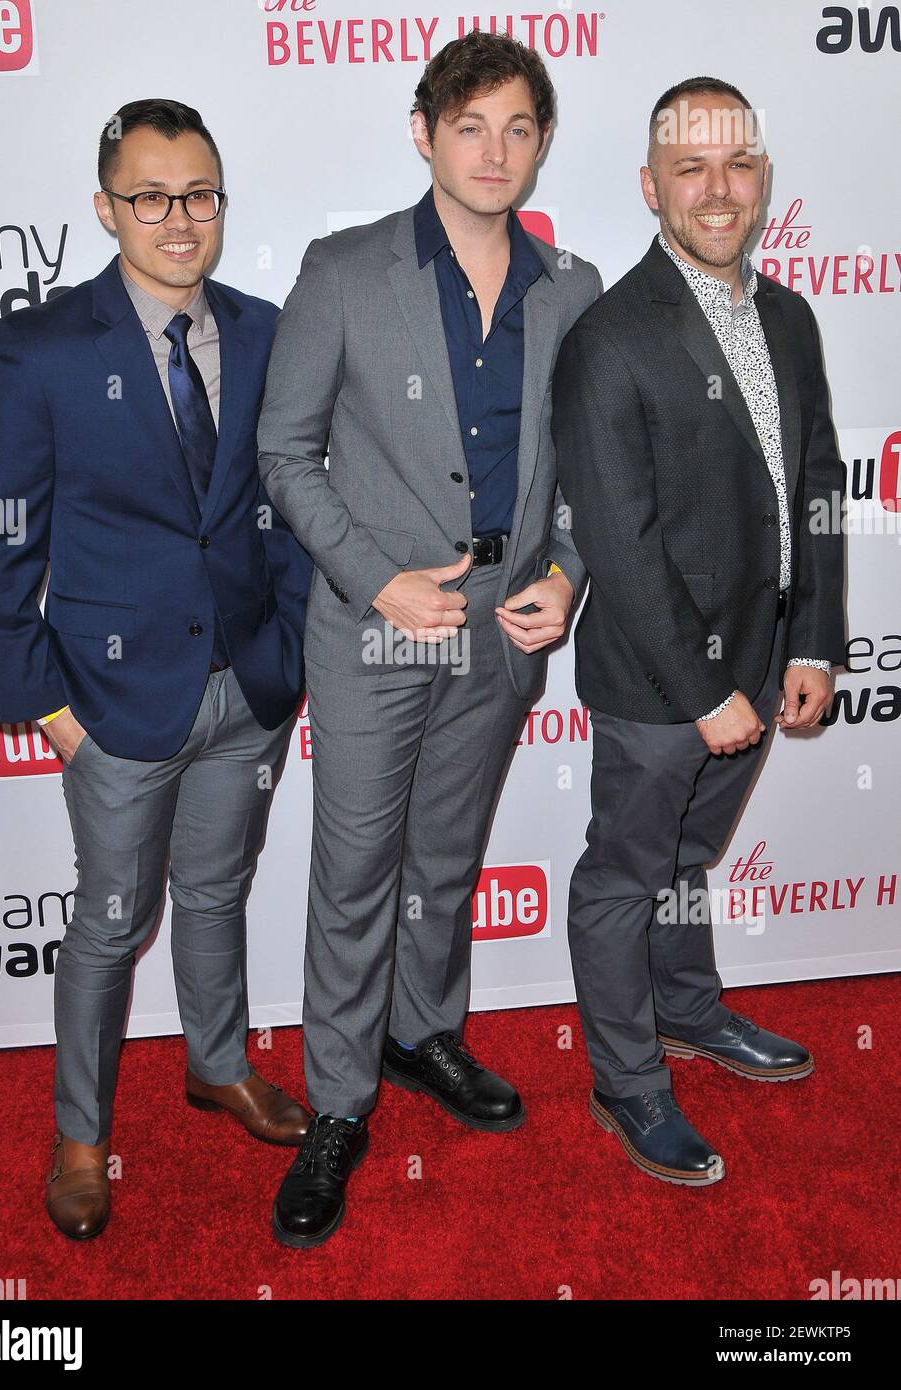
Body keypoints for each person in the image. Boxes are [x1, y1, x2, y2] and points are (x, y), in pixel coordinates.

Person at [258, 30, 601, 1248]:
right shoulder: (345, 270)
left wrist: (567, 575)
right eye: (469, 126)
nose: (494, 150)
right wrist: (376, 581)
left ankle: (420, 1033)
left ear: (543, 141)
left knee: (445, 858)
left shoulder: (575, 288)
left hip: (507, 630)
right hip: (377, 627)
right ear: (423, 133)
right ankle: (339, 1105)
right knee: (355, 873)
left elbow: (591, 474)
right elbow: (286, 455)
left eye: (518, 127)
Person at [0, 98, 313, 1240]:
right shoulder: (49, 346)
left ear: (221, 201)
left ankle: (217, 1065)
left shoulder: (264, 332)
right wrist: (45, 704)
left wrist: (289, 654)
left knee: (216, 892)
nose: (178, 218)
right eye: (150, 196)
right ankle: (80, 1132)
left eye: (198, 194)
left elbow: (295, 504)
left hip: (244, 691)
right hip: (111, 704)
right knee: (110, 921)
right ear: (106, 207)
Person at [550, 77, 846, 1187]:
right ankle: (626, 1082)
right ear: (650, 185)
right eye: (690, 166)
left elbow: (813, 485)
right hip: (661, 682)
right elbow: (618, 543)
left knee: (686, 858)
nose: (717, 189)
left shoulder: (789, 316)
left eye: (737, 163)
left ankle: (686, 1011)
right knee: (624, 874)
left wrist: (811, 644)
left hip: (767, 663)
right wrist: (702, 688)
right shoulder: (609, 338)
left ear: (761, 178)